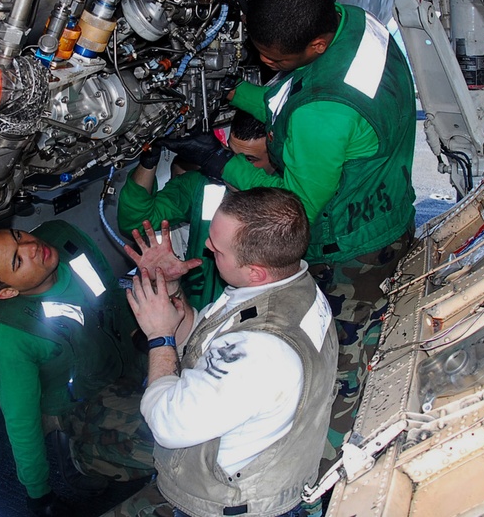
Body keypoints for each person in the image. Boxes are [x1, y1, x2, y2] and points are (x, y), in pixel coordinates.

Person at [164, 0, 417, 467]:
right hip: (388, 204)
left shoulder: (324, 114)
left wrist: (220, 162)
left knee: (336, 362)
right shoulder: (356, 26)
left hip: (352, 248)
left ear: (317, 43)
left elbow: (293, 206)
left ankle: (322, 472)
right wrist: (232, 92)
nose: (265, 63)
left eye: (274, 59)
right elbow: (294, 95)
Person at [106, 187, 338, 517]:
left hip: (230, 502)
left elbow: (166, 423)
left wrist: (159, 337)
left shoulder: (260, 351)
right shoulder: (290, 285)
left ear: (256, 271)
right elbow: (209, 341)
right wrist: (171, 289)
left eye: (217, 251)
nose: (206, 248)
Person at [0, 220, 154, 516]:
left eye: (18, 236)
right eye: (18, 260)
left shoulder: (64, 239)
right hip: (81, 400)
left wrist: (140, 338)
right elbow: (20, 420)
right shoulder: (9, 334)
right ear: (8, 292)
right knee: (168, 445)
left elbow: (110, 293)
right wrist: (39, 495)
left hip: (122, 354)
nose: (32, 247)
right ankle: (84, 455)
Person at [118, 110, 274, 311]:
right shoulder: (201, 184)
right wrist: (148, 162)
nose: (235, 165)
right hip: (200, 310)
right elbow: (136, 221)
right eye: (231, 154)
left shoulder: (295, 203)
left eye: (250, 160)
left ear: (275, 159)